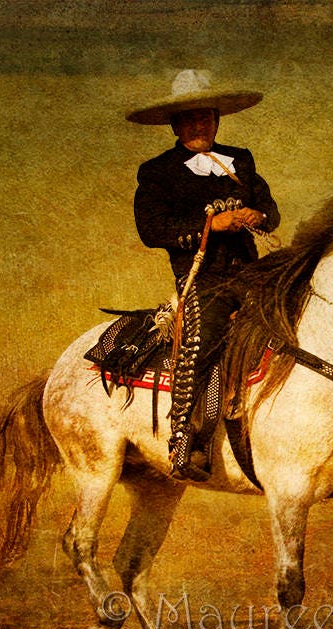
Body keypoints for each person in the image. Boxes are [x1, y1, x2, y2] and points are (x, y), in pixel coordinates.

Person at [127, 69, 280, 481]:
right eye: (190, 119)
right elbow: (151, 229)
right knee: (203, 341)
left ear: (217, 119)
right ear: (175, 125)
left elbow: (272, 210)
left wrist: (257, 215)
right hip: (204, 281)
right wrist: (211, 226)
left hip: (252, 276)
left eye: (206, 117)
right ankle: (187, 444)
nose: (199, 125)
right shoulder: (158, 172)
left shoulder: (241, 160)